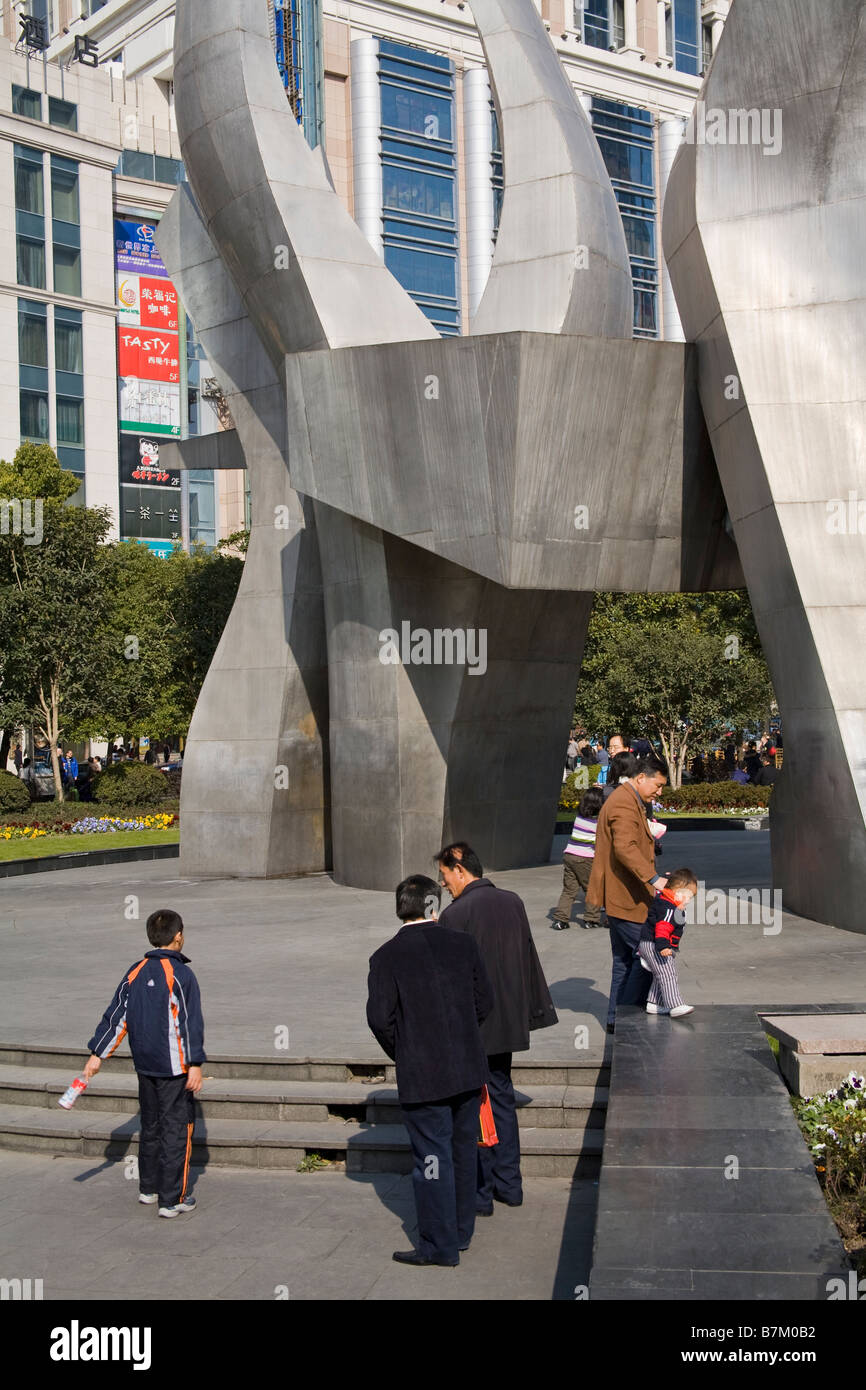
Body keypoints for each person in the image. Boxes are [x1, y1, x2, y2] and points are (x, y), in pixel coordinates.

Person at [366, 874, 493, 1267]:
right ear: (433, 906)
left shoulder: (385, 956)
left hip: (424, 1075)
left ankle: (439, 1245)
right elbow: (484, 1002)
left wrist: (404, 1050)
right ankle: (460, 1232)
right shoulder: (463, 944)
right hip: (467, 1069)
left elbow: (378, 1018)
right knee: (460, 1149)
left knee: (432, 1159)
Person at [436, 843, 557, 1216]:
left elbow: (451, 981)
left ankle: (482, 1192)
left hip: (475, 1025)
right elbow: (528, 956)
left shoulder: (455, 915)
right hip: (509, 1019)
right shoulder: (512, 902)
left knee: (475, 1105)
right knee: (501, 1098)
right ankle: (511, 1185)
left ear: (459, 869)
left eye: (445, 878)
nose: (445, 887)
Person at [82, 908, 205, 1218]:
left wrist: (98, 1054)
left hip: (144, 1066)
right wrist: (196, 1064)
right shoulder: (182, 975)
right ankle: (172, 1198)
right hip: (174, 1068)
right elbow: (190, 1024)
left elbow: (116, 1016)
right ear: (178, 937)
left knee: (150, 1125)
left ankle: (148, 1188)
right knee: (177, 1129)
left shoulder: (135, 971)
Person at [587, 755, 669, 1033]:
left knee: (624, 961)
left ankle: (616, 1019)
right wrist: (655, 879)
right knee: (650, 956)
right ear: (641, 777)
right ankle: (629, 1019)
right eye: (657, 786)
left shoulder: (630, 799)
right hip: (626, 896)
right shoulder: (623, 803)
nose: (659, 792)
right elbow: (625, 848)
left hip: (623, 896)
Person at [637, 868, 698, 1019]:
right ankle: (675, 1005)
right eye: (687, 896)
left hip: (651, 943)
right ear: (676, 891)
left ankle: (654, 1003)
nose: (688, 900)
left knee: (660, 974)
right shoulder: (669, 907)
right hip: (654, 944)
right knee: (667, 974)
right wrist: (664, 946)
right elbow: (663, 927)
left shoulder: (668, 902)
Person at [552, 785, 604, 929]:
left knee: (569, 890)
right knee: (592, 888)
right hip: (585, 858)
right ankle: (591, 919)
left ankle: (560, 920)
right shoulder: (597, 822)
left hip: (569, 855)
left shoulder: (580, 817)